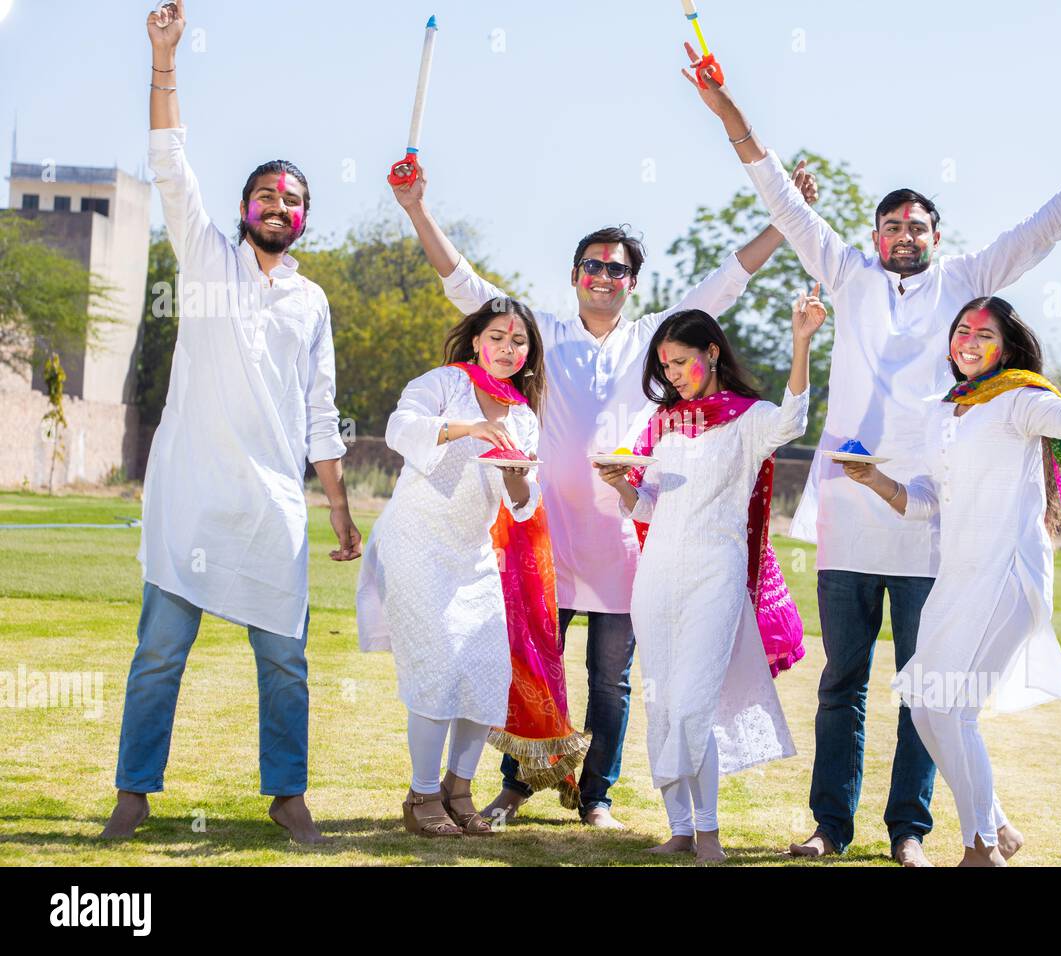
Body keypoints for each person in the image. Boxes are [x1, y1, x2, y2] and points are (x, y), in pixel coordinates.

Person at [680, 41, 1061, 863]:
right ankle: (830, 827)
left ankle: (911, 830)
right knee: (841, 684)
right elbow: (774, 191)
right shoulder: (845, 273)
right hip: (846, 511)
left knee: (927, 686)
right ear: (874, 234)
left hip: (931, 522)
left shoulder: (968, 285)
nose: (905, 234)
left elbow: (1045, 228)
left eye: (918, 225)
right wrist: (728, 110)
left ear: (939, 236)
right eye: (892, 224)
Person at [390, 165, 817, 829]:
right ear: (574, 275)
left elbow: (728, 281)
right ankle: (517, 786)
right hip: (545, 538)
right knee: (531, 665)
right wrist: (418, 210)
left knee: (611, 682)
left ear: (631, 283)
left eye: (616, 269)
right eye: (592, 265)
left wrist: (784, 218)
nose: (603, 276)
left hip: (625, 539)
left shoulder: (653, 336)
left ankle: (597, 798)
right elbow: (464, 284)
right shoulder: (543, 335)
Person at [102, 0, 361, 844]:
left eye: (292, 199)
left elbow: (322, 412)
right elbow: (170, 162)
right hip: (190, 503)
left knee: (285, 665)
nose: (277, 205)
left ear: (305, 218)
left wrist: (343, 508)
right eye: (264, 194)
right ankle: (133, 795)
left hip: (272, 513)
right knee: (158, 659)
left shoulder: (313, 299)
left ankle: (288, 796)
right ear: (246, 207)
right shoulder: (207, 258)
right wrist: (165, 57)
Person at [844, 299, 1061, 864]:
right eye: (962, 330)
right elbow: (927, 502)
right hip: (956, 580)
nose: (970, 340)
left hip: (1009, 575)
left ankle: (981, 849)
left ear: (1005, 346)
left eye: (984, 333)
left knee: (954, 709)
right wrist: (874, 479)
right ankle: (999, 825)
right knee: (928, 705)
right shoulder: (942, 410)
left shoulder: (1021, 400)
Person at [595, 290, 824, 861]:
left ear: (713, 353)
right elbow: (645, 507)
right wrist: (618, 481)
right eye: (665, 367)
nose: (673, 376)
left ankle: (710, 833)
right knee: (664, 701)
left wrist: (801, 341)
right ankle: (683, 829)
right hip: (656, 576)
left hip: (716, 574)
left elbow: (794, 419)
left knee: (695, 701)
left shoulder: (748, 420)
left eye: (681, 362)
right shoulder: (663, 423)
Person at [356, 298, 547, 837]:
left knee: (485, 672)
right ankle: (420, 797)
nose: (507, 349)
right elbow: (401, 428)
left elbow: (523, 502)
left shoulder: (524, 417)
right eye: (498, 337)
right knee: (438, 670)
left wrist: (515, 475)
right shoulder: (443, 383)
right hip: (416, 542)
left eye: (519, 342)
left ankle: (458, 790)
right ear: (476, 340)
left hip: (472, 553)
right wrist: (467, 429)